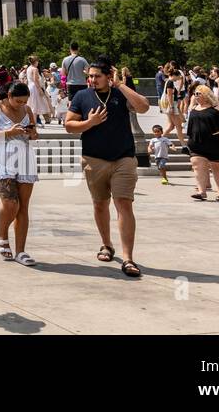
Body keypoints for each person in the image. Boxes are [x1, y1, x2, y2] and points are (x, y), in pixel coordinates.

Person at [64, 57, 150, 278]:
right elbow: (69, 125)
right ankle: (106, 245)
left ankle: (128, 258)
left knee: (124, 203)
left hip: (123, 158)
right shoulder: (82, 96)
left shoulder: (121, 93)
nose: (92, 80)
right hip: (94, 159)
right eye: (90, 76)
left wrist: (120, 84)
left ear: (108, 76)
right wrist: (88, 123)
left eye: (97, 76)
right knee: (100, 204)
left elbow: (143, 107)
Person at [0, 81, 39, 265]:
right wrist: (8, 132)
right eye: (18, 101)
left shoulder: (27, 110)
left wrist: (32, 133)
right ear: (9, 96)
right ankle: (2, 234)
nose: (22, 104)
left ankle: (21, 251)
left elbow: (34, 133)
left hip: (24, 158)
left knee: (23, 206)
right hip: (1, 158)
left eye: (24, 101)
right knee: (10, 203)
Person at [186, 85, 219, 201]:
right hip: (196, 144)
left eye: (198, 94)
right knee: (197, 165)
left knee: (217, 168)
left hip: (215, 143)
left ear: (206, 96)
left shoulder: (215, 110)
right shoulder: (193, 110)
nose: (195, 96)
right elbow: (191, 128)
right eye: (194, 94)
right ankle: (202, 192)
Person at [25, 56, 50, 126]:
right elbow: (36, 80)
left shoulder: (29, 68)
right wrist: (40, 90)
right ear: (36, 62)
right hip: (34, 87)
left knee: (32, 104)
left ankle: (33, 122)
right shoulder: (35, 69)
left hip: (30, 86)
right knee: (34, 106)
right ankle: (34, 122)